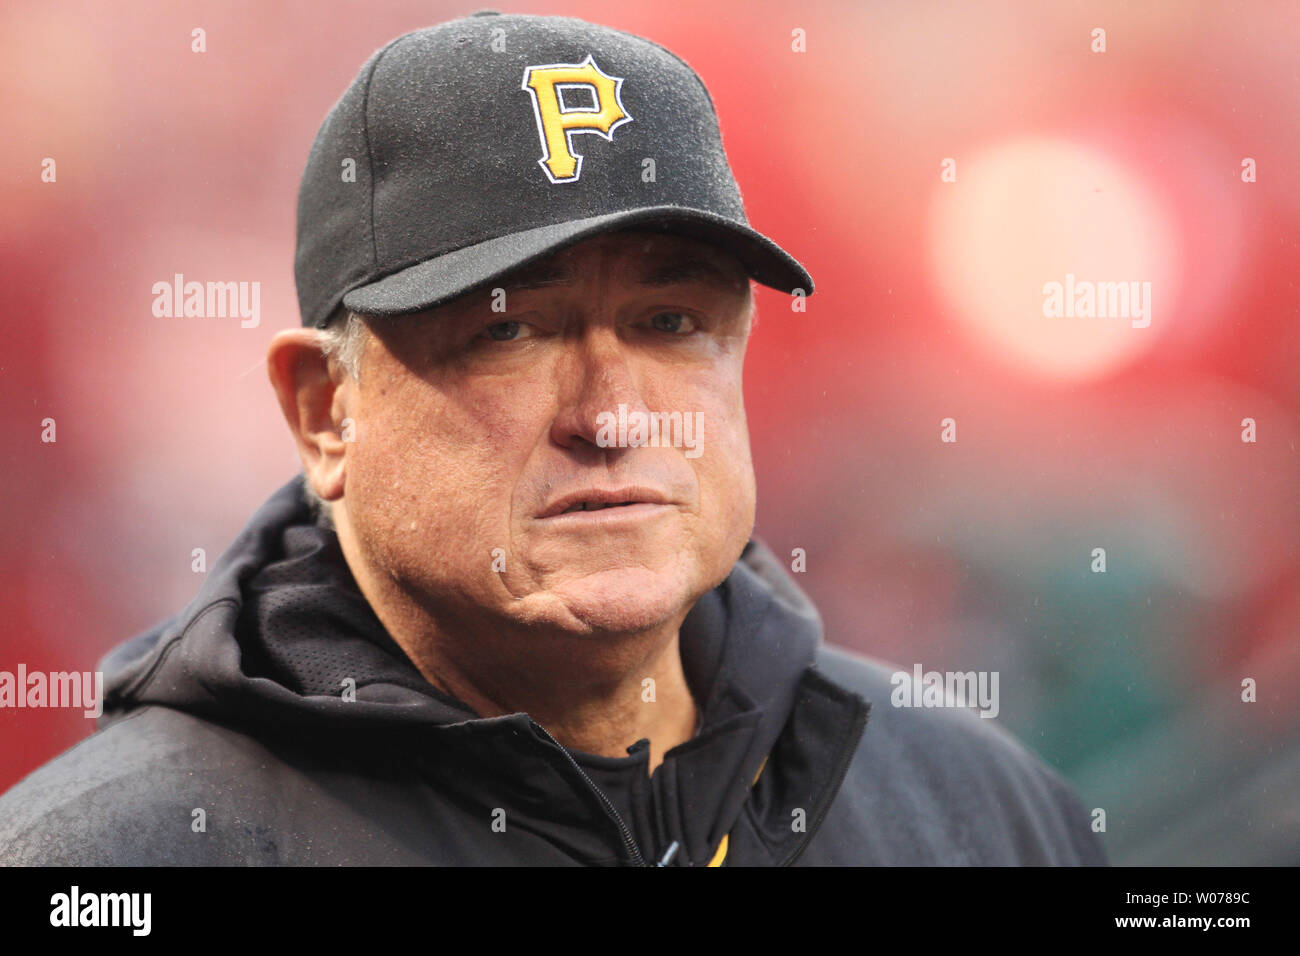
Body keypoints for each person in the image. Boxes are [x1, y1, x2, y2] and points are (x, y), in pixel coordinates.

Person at [0, 11, 1105, 866]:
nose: (616, 413)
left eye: (671, 322)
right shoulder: (113, 861)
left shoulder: (979, 807)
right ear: (326, 411)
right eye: (510, 329)